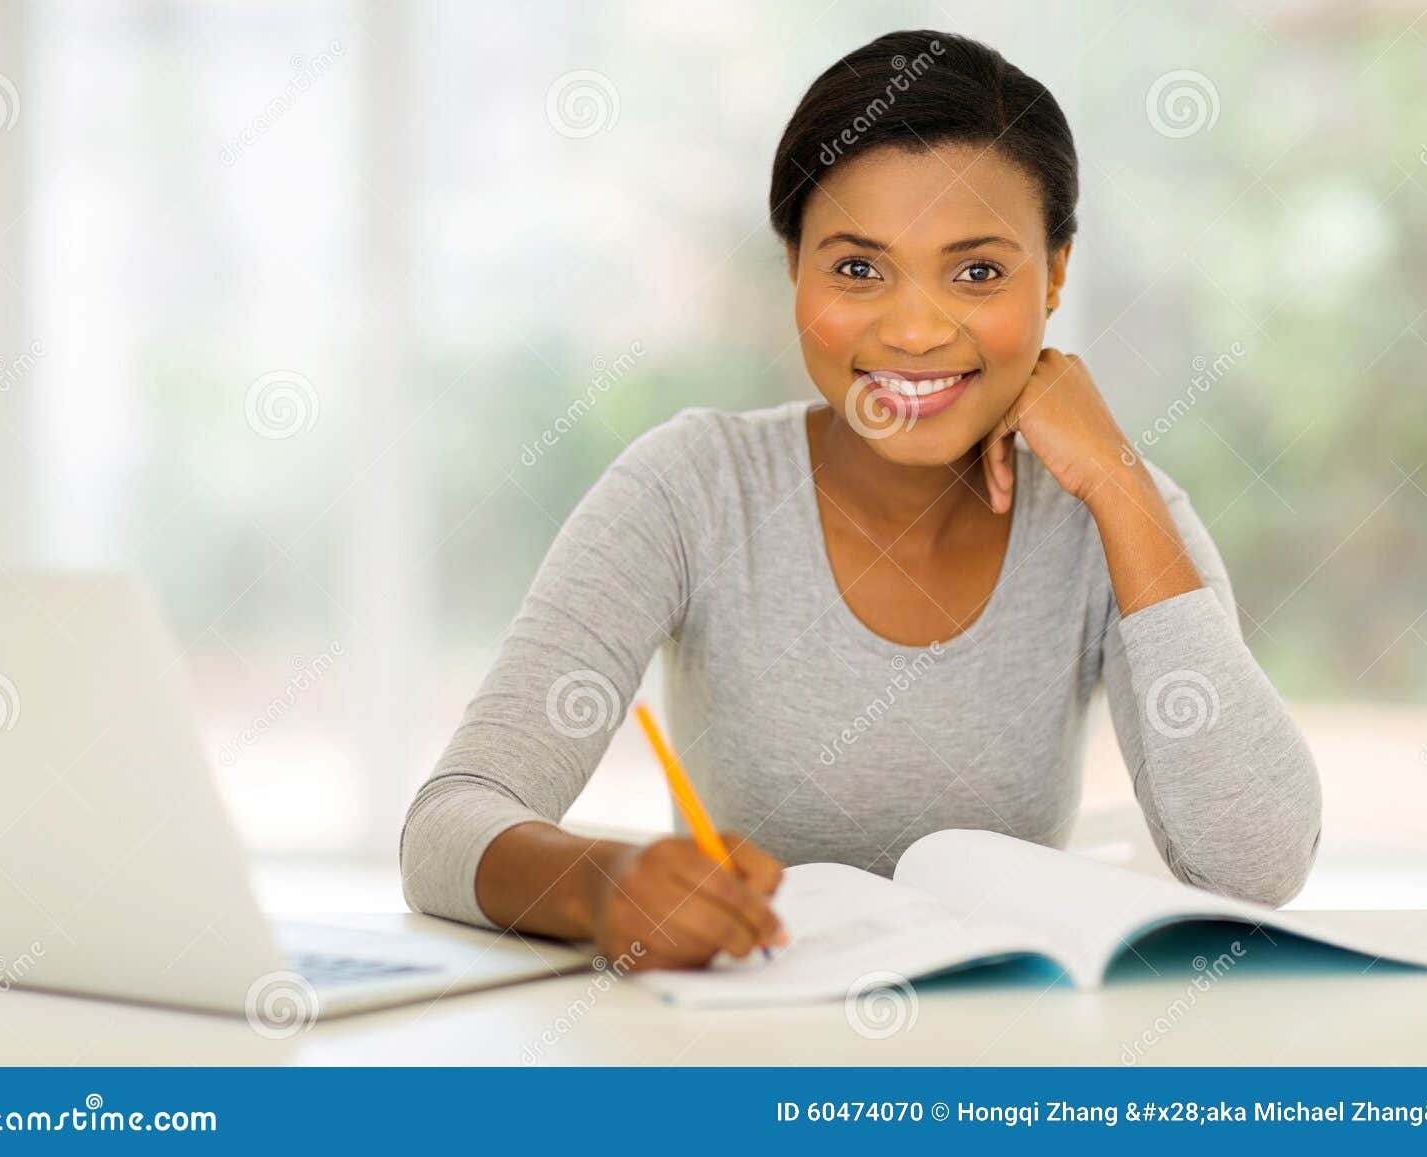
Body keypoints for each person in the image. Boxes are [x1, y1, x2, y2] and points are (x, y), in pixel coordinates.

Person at [400, 29, 1322, 970]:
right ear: (792, 268)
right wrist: (601, 884)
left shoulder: (1116, 512)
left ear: (1056, 276)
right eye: (857, 268)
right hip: (743, 1059)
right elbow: (447, 824)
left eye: (977, 271)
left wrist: (1117, 486)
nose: (916, 329)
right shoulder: (690, 491)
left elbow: (1254, 865)